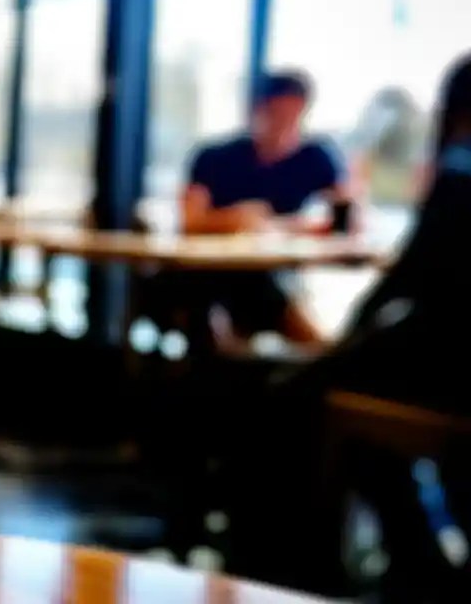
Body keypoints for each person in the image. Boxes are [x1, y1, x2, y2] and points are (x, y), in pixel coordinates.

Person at [225, 55, 471, 599]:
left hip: (449, 362)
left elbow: (411, 279)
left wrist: (349, 341)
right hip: (450, 359)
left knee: (291, 399)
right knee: (345, 408)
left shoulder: (460, 169)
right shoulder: (224, 156)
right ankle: (415, 563)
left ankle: (288, 571)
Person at [180, 71, 352, 350]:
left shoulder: (316, 156)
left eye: (292, 113)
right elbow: (189, 220)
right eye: (276, 111)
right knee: (225, 290)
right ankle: (329, 363)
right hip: (212, 272)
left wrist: (276, 225)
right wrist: (234, 219)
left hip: (271, 273)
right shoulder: (215, 157)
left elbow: (345, 221)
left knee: (264, 287)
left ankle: (329, 363)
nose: (283, 122)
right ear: (259, 109)